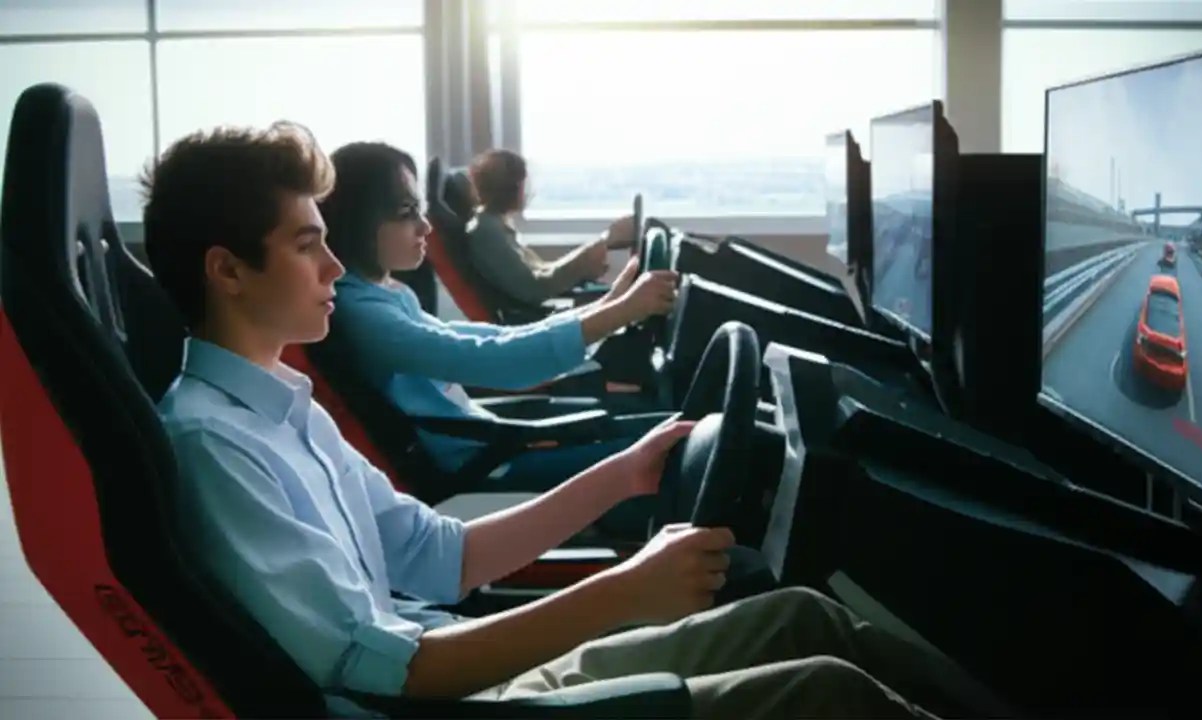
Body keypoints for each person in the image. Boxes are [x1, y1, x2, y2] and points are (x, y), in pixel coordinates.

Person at [143, 121, 990, 720]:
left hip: (462, 670)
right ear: (228, 270)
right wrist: (624, 591)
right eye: (305, 245)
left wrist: (618, 477)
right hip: (452, 704)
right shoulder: (215, 447)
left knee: (803, 617)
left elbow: (446, 555)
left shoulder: (290, 412)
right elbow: (393, 674)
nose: (334, 264)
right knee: (823, 692)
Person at [318, 142, 672, 536]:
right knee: (670, 451)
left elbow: (492, 337)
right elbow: (493, 360)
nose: (425, 226)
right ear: (359, 222)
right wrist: (619, 312)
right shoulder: (363, 312)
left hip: (488, 442)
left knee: (670, 427)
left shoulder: (386, 294)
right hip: (478, 463)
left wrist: (610, 304)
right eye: (406, 213)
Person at [466, 148, 634, 306]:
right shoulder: (488, 233)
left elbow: (543, 270)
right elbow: (536, 287)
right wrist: (604, 241)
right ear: (513, 187)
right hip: (528, 320)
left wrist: (586, 265)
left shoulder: (495, 225)